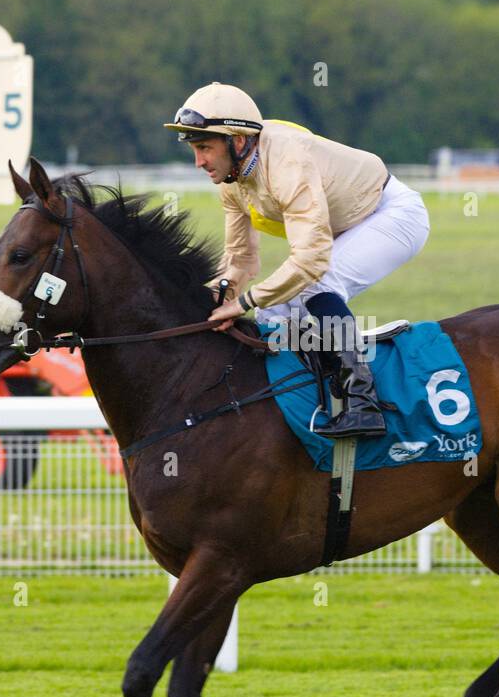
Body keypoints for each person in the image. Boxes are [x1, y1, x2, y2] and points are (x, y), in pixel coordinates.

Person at [163, 82, 430, 439]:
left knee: (317, 285)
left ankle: (364, 402)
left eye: (205, 148)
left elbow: (310, 262)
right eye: (195, 150)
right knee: (271, 314)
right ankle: (308, 401)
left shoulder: (286, 160)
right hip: (345, 226)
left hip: (393, 214)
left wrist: (243, 301)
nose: (199, 162)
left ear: (237, 141)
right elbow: (241, 260)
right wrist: (218, 297)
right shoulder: (231, 180)